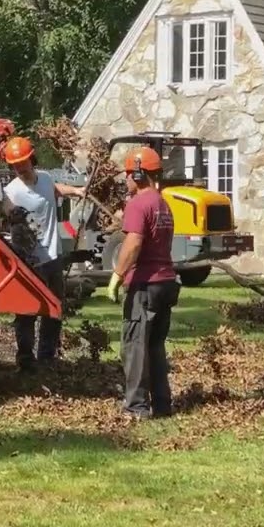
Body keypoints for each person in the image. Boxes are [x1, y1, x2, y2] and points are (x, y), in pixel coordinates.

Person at [0, 136, 86, 371]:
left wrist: (76, 191)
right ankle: (26, 360)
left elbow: (55, 190)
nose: (19, 168)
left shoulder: (45, 179)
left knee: (54, 309)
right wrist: (12, 213)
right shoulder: (12, 191)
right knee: (27, 311)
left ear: (32, 159)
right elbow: (5, 207)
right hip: (29, 261)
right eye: (15, 165)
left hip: (53, 257)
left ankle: (47, 357)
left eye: (22, 163)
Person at [106, 146, 179, 419]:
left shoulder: (138, 203)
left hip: (144, 285)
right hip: (165, 283)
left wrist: (117, 275)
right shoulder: (163, 204)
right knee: (155, 347)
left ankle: (136, 407)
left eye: (128, 173)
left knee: (135, 347)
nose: (126, 179)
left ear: (138, 174)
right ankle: (162, 404)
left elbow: (134, 242)